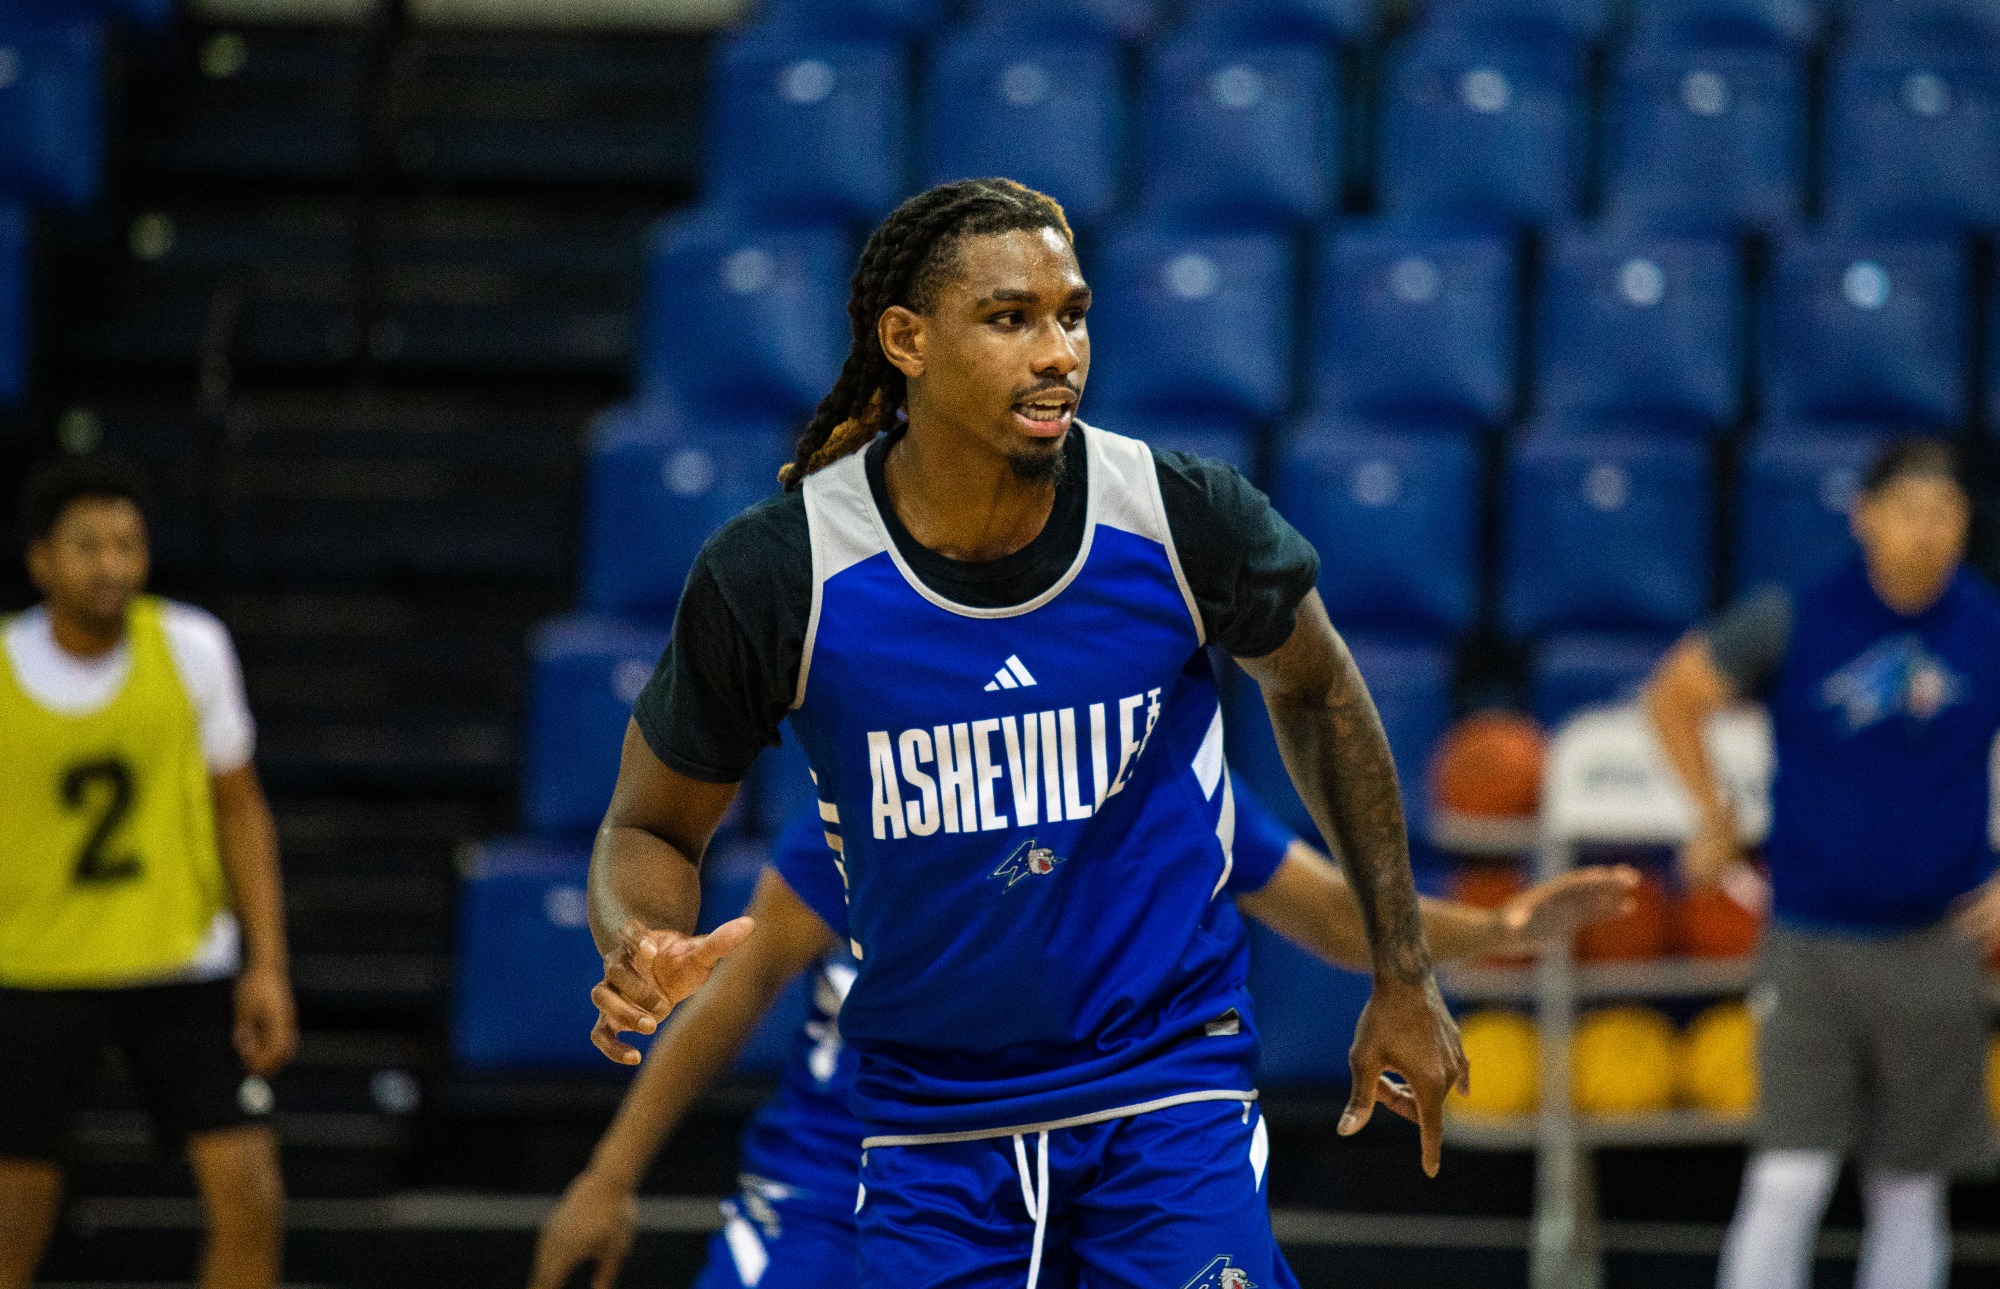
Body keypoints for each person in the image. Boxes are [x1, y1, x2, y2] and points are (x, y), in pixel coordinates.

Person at [585, 176, 1467, 1287]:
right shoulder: (780, 572)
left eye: (1072, 315)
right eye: (1010, 318)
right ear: (904, 338)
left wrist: (1400, 968)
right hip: (930, 1121)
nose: (1058, 351)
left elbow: (1320, 690)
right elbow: (649, 826)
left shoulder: (1178, 514)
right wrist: (641, 940)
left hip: (1165, 1092)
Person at [532, 788, 1637, 1289]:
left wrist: (1496, 928)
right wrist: (608, 1172)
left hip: (1083, 1158)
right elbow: (737, 986)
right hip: (849, 1172)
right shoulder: (897, 777)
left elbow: (1325, 907)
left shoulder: (1158, 770)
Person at [1645, 438, 2000, 1289]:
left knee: (1912, 1186)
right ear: (1865, 514)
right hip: (1809, 939)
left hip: (1935, 939)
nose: (1928, 531)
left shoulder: (1986, 625)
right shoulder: (1797, 615)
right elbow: (1676, 693)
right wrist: (1715, 815)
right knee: (1789, 1175)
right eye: (1910, 510)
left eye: (1946, 513)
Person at [0, 456, 294, 1289]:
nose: (111, 564)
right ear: (41, 560)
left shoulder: (191, 646)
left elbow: (241, 810)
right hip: (34, 970)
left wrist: (266, 964)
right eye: (88, 545)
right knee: (11, 1219)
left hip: (181, 960)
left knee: (250, 1196)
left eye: (127, 544)